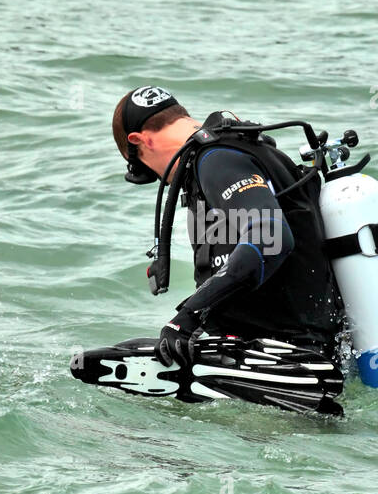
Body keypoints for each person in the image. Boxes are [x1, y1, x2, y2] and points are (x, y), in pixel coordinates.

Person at [112, 85, 344, 369]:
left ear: (141, 140)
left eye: (150, 170)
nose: (165, 180)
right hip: (310, 348)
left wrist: (188, 316)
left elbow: (269, 239)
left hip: (284, 355)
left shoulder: (215, 159)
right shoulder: (245, 148)